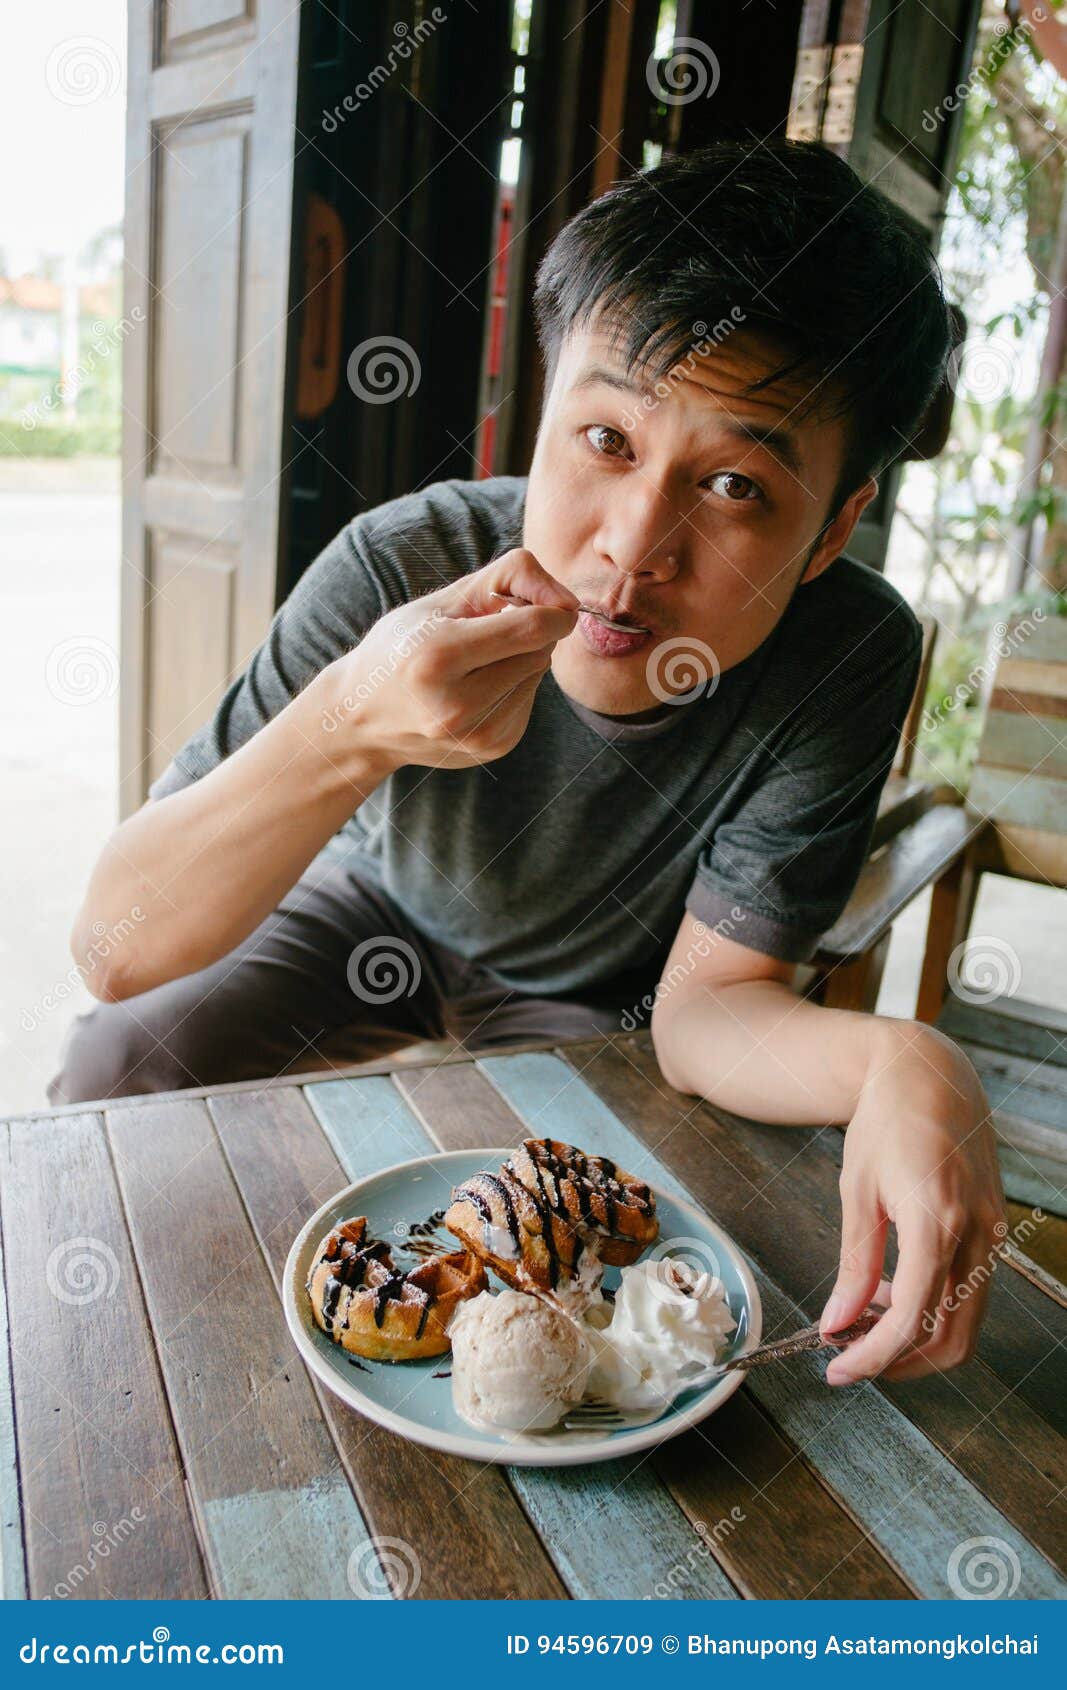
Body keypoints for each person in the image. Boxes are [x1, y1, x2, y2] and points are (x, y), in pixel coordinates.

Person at [53, 139, 1004, 1386]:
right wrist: (346, 724)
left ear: (830, 527)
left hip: (602, 991)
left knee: (612, 1240)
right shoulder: (403, 563)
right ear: (539, 414)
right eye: (605, 437)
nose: (632, 546)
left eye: (732, 484)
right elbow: (114, 946)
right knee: (113, 1058)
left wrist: (905, 1053)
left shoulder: (845, 657)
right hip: (373, 897)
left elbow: (709, 1007)